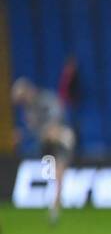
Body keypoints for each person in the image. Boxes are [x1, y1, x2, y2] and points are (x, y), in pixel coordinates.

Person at [11, 78, 76, 224]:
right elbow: (36, 130)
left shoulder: (45, 99)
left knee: (59, 172)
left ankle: (55, 207)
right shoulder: (27, 111)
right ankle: (54, 200)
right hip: (46, 145)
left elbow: (57, 116)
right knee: (52, 174)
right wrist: (23, 134)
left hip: (60, 141)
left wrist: (52, 130)